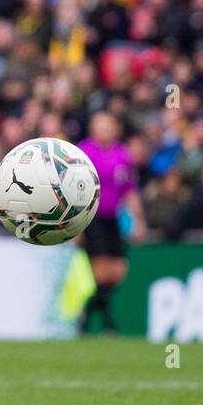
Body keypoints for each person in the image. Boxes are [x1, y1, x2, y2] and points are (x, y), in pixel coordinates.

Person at [77, 112, 146, 333]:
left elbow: (129, 191)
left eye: (109, 126)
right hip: (91, 218)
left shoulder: (121, 155)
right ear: (93, 129)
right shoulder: (84, 153)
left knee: (118, 272)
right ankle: (107, 323)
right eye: (101, 126)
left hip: (113, 218)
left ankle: (87, 310)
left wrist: (139, 220)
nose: (105, 130)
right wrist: (74, 225)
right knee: (101, 272)